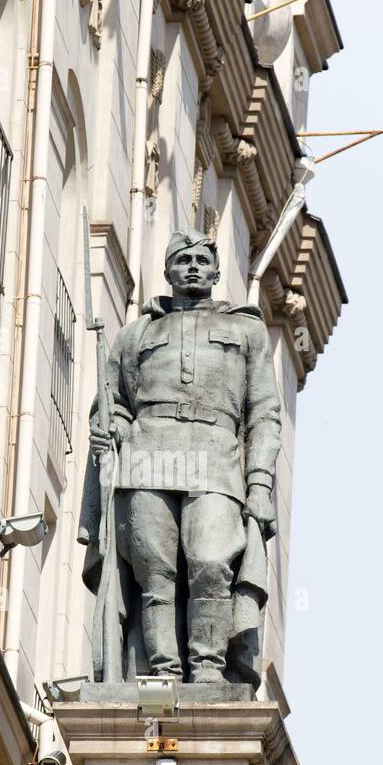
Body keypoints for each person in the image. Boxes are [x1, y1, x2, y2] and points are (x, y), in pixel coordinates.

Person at [78, 229, 281, 688]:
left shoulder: (246, 331)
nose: (192, 267)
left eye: (201, 260)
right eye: (182, 259)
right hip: (148, 456)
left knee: (211, 562)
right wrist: (110, 428)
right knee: (156, 570)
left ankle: (208, 666)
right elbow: (113, 404)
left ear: (214, 271)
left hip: (217, 459)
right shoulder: (137, 335)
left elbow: (264, 414)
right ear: (168, 270)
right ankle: (162, 670)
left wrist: (261, 485)